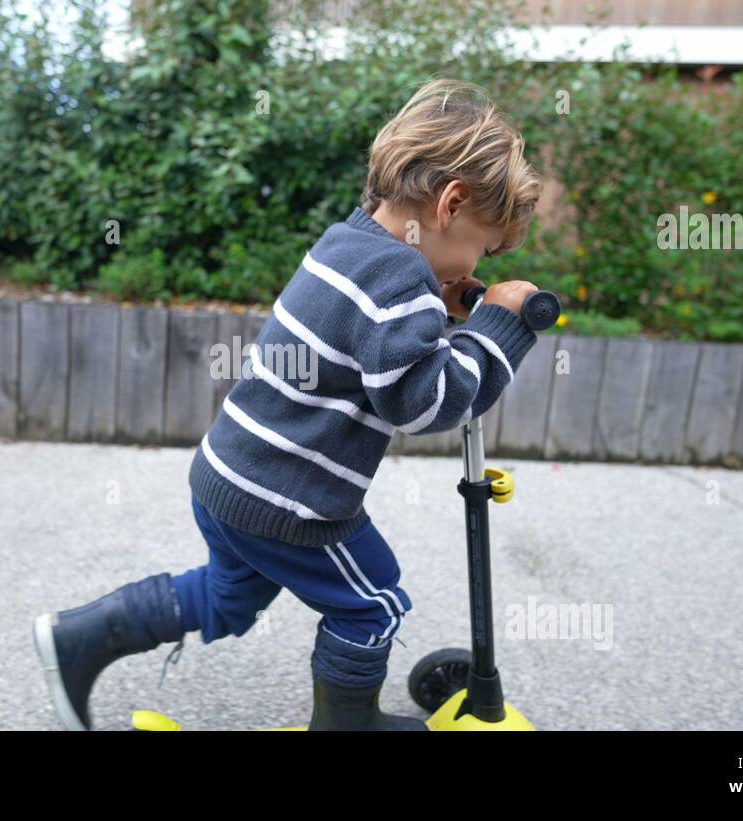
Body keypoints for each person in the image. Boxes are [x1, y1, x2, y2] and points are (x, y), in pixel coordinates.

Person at [34, 76, 546, 730]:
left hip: (227, 475)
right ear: (451, 204)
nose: (476, 266)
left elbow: (374, 342)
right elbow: (423, 404)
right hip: (289, 501)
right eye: (484, 246)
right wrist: (499, 326)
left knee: (228, 594)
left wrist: (438, 310)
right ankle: (346, 725)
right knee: (373, 601)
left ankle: (77, 637)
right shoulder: (403, 277)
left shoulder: (351, 243)